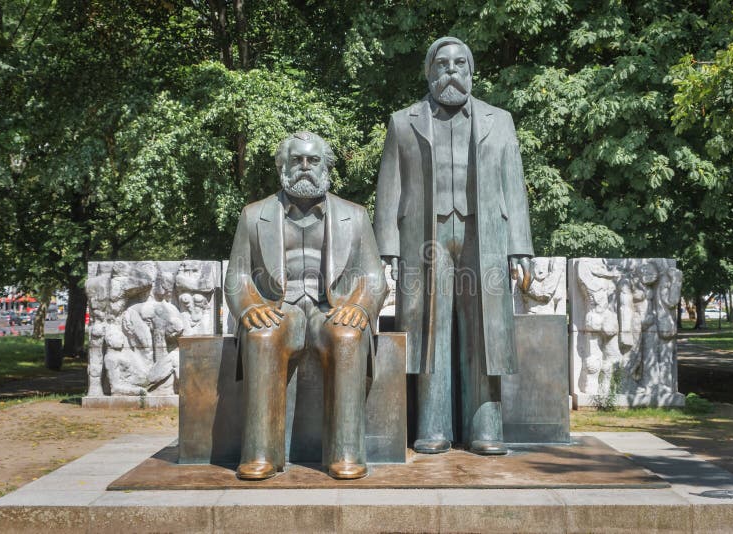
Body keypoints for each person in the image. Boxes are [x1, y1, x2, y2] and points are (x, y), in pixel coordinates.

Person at [374, 37, 533, 455]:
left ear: (471, 71)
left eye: (459, 63)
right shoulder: (401, 121)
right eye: (441, 64)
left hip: (486, 234)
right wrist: (386, 246)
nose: (451, 71)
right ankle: (432, 427)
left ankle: (485, 428)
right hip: (424, 236)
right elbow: (388, 187)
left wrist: (521, 247)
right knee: (429, 328)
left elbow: (514, 187)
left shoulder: (500, 120)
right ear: (429, 72)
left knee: (486, 331)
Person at [225, 132, 387, 480]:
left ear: (326, 166)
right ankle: (261, 455)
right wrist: (248, 306)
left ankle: (345, 453)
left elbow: (375, 277)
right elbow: (237, 276)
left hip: (331, 307)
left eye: (312, 160)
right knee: (262, 335)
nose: (304, 167)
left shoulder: (354, 216)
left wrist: (360, 306)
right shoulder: (253, 216)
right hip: (277, 307)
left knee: (347, 335)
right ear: (281, 166)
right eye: (295, 159)